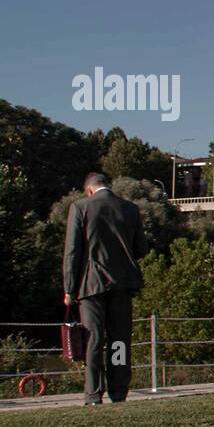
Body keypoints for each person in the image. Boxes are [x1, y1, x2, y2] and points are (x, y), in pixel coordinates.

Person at [62, 172, 148, 406]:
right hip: (123, 283)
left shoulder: (80, 207)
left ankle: (93, 393)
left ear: (89, 190)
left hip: (91, 284)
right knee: (120, 339)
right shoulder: (130, 208)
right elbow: (141, 248)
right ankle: (119, 391)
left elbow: (72, 252)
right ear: (109, 187)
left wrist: (69, 288)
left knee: (94, 338)